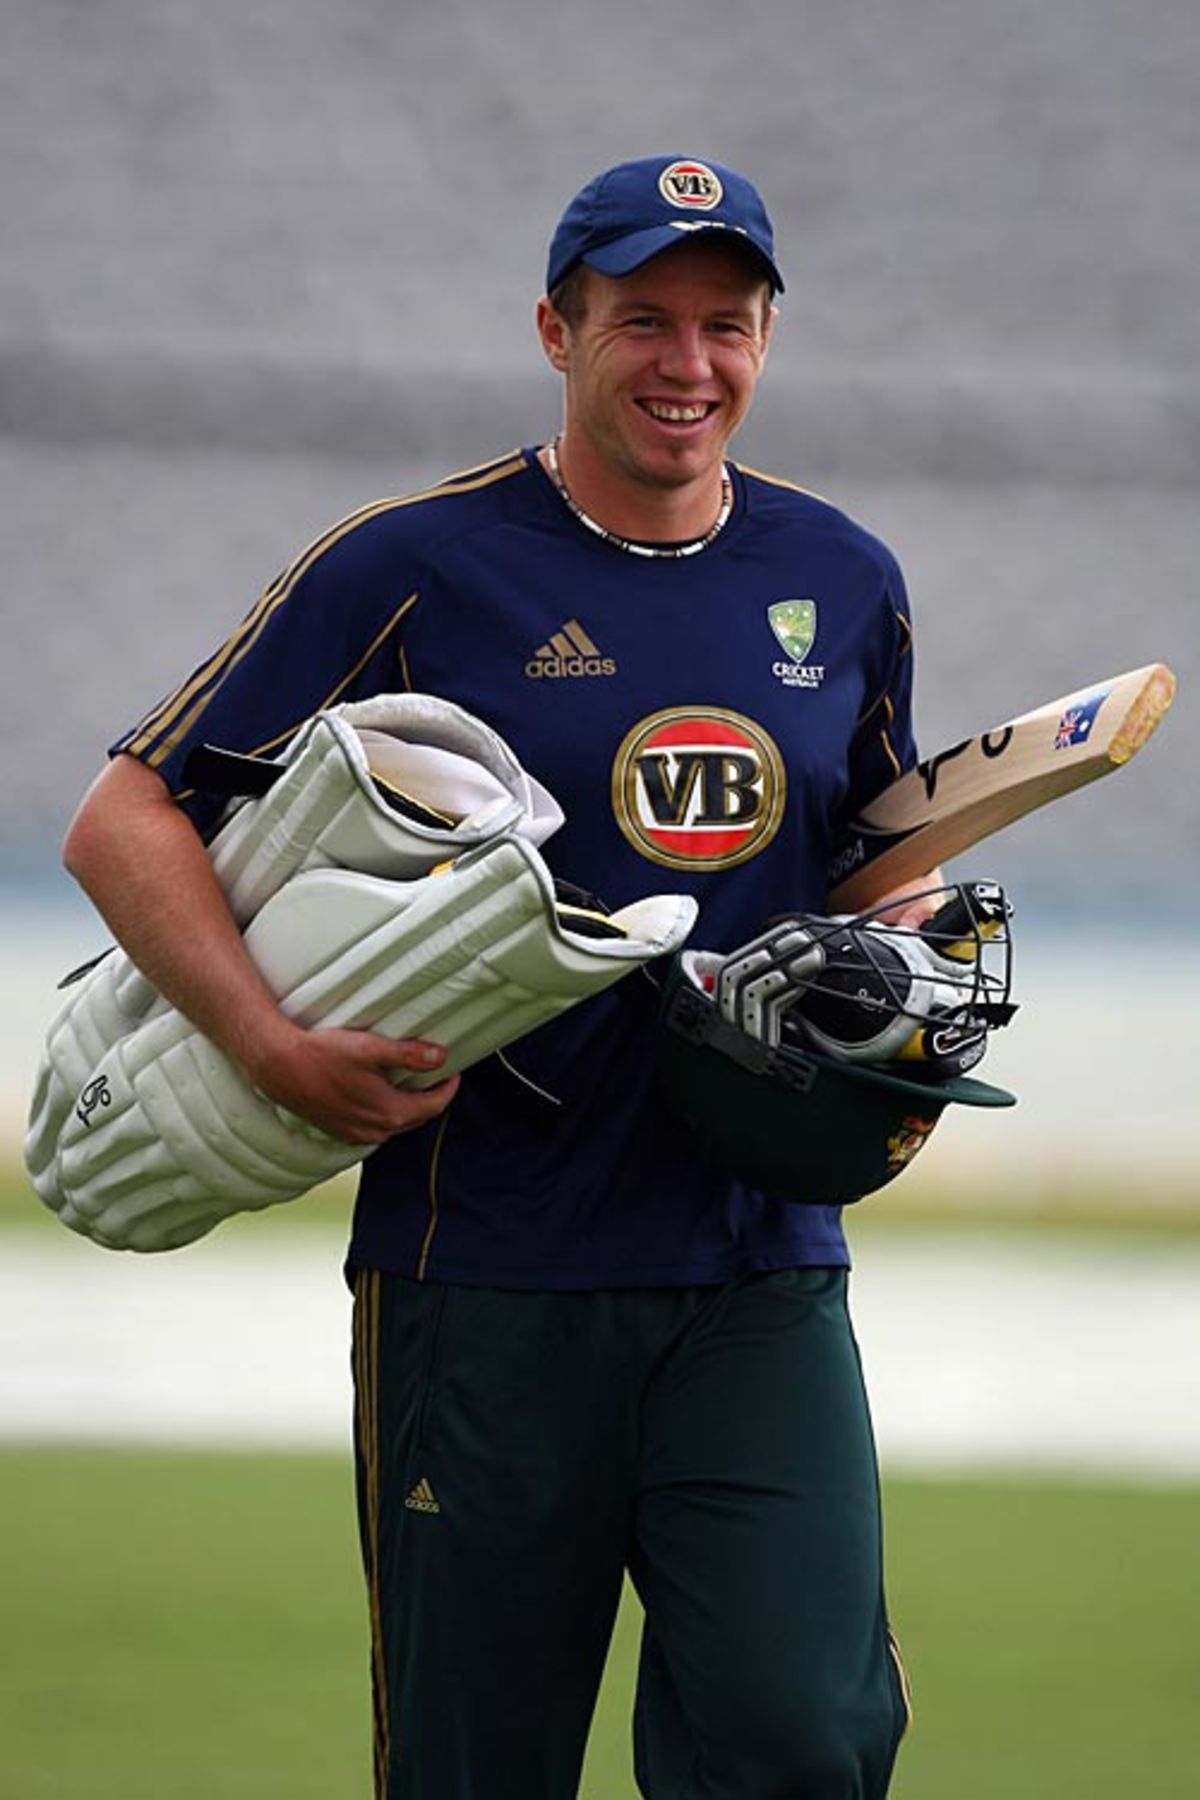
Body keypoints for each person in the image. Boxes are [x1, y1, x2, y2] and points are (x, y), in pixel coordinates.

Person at [62, 155, 928, 1799]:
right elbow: (126, 816)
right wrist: (260, 1043)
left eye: (726, 326)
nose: (689, 363)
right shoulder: (414, 564)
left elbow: (882, 861)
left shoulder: (844, 577)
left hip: (756, 1265)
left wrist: (910, 962)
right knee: (476, 1768)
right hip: (485, 1274)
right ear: (557, 328)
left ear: (765, 344)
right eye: (643, 322)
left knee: (802, 1736)